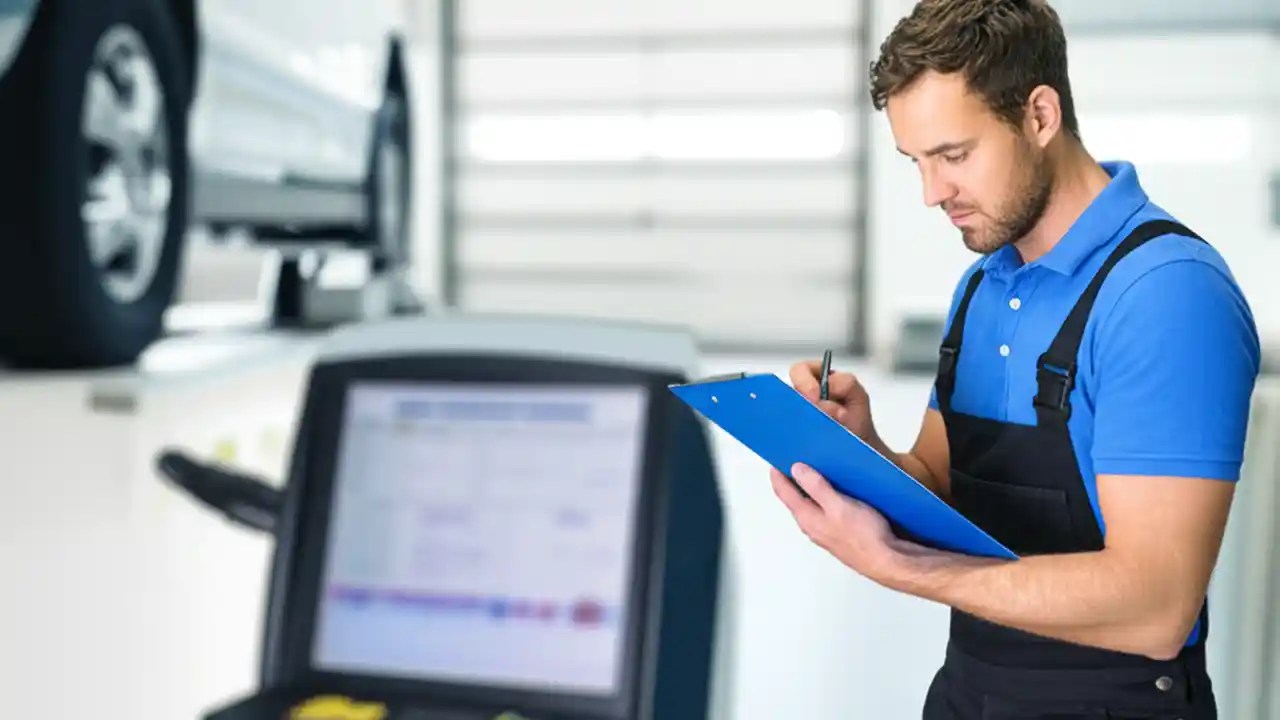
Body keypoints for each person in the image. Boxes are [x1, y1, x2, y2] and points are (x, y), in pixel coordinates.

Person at [770, 1, 1261, 718]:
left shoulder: (1166, 295)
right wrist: (861, 448)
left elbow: (1156, 609)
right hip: (971, 694)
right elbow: (939, 489)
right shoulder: (983, 283)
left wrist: (906, 570)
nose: (932, 193)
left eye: (954, 155)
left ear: (1039, 116)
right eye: (916, 161)